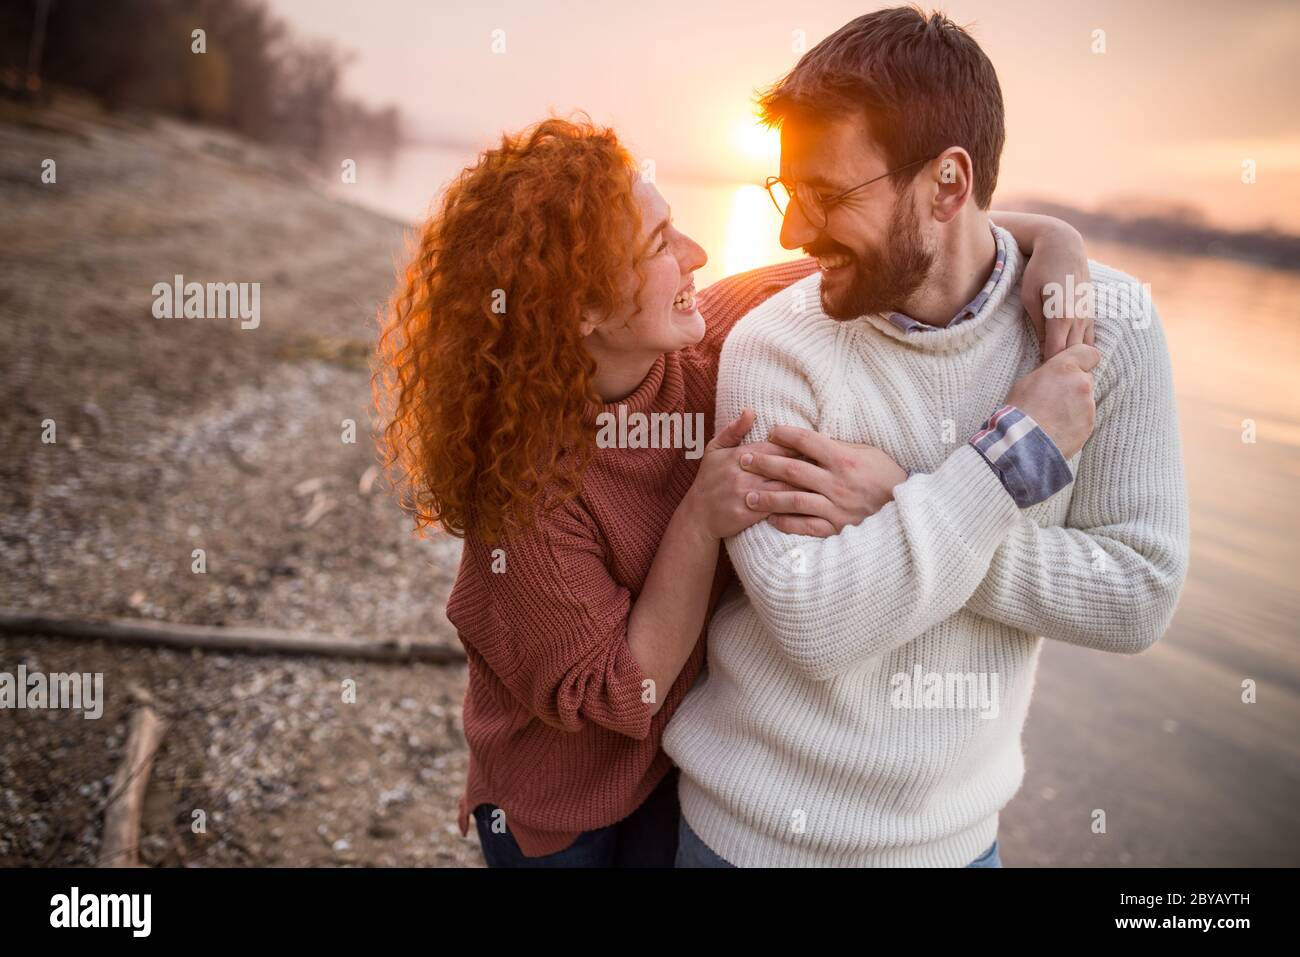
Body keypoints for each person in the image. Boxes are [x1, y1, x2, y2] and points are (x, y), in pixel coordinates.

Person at [374, 114, 1094, 867]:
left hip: (673, 767)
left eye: (674, 226)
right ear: (579, 309)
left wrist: (1053, 240)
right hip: (558, 806)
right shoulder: (522, 495)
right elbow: (627, 693)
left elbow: (900, 244)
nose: (697, 254)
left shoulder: (717, 336)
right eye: (659, 246)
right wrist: (698, 516)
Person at [663, 7, 1190, 868]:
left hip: (955, 847)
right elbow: (816, 623)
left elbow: (1138, 593)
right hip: (746, 837)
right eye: (784, 192)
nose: (792, 232)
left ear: (948, 184)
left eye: (827, 196)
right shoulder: (774, 346)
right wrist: (1004, 462)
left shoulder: (1110, 328)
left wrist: (899, 492)